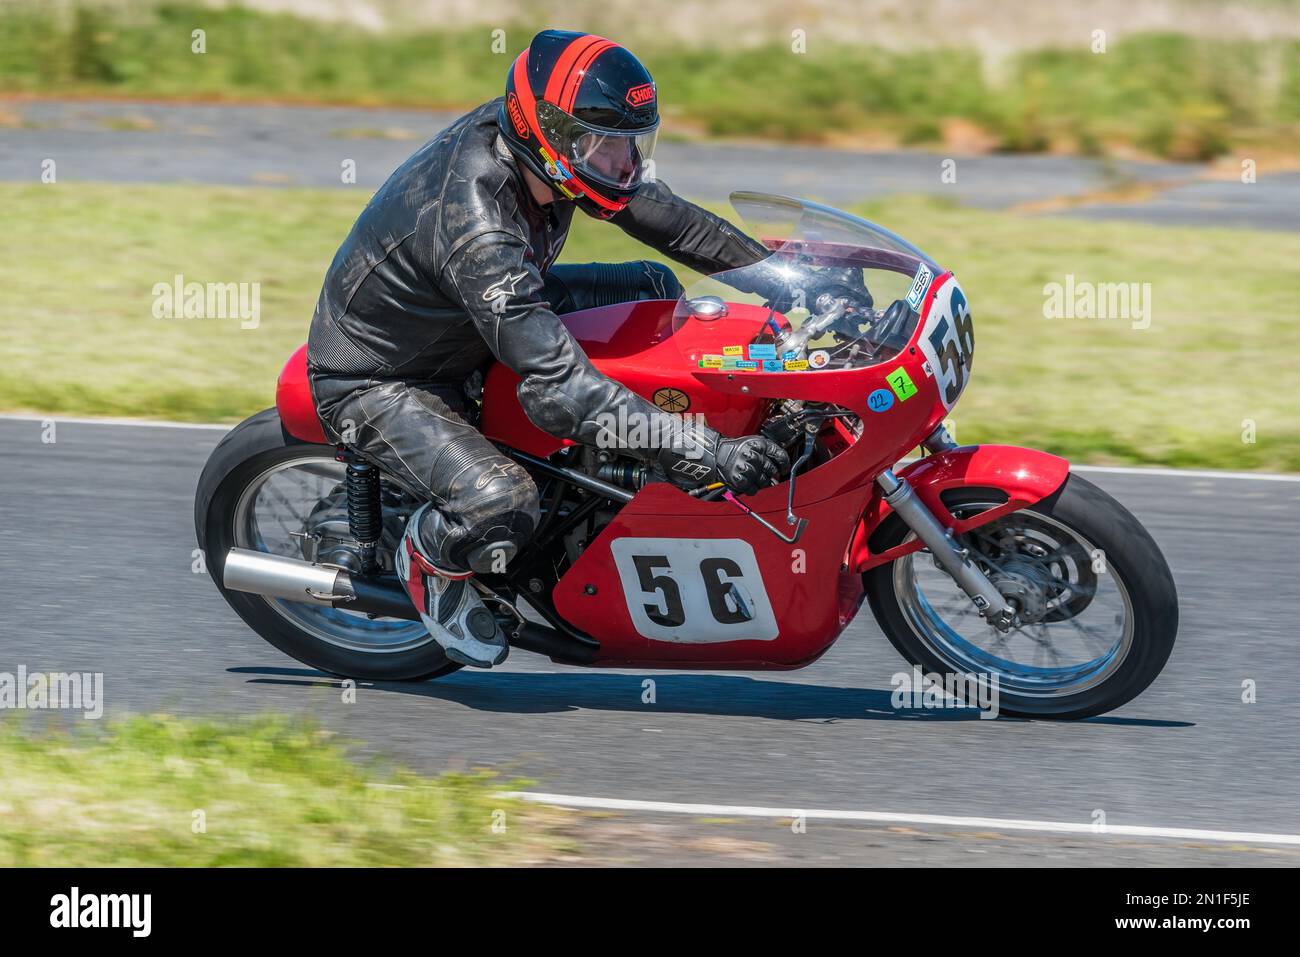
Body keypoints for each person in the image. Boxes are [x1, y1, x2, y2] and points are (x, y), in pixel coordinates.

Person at [306, 29, 788, 669]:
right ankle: (431, 560)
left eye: (631, 142)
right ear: (551, 139)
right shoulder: (479, 227)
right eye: (608, 144)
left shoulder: (545, 156)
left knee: (651, 294)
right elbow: (562, 389)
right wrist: (704, 452)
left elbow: (669, 219)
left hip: (466, 325)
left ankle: (600, 493)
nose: (626, 163)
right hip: (383, 378)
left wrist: (785, 278)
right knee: (502, 501)